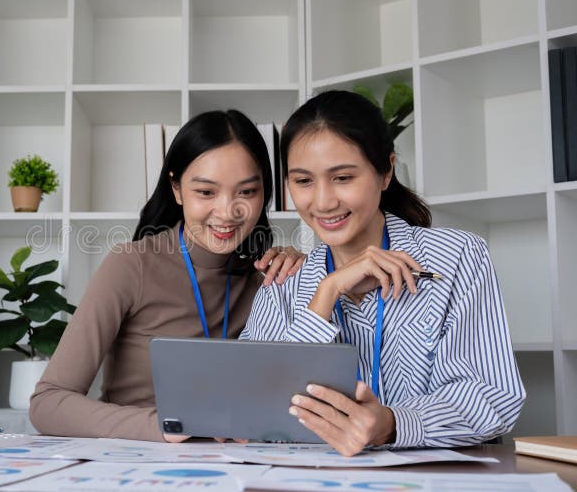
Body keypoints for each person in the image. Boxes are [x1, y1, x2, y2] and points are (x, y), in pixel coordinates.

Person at [241, 90, 525, 455]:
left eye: (342, 177)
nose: (323, 201)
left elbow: (492, 396)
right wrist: (326, 294)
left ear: (385, 171)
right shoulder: (283, 281)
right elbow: (253, 408)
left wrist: (391, 424)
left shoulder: (457, 257)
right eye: (304, 181)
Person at [29, 109, 304, 442]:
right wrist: (166, 425)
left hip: (238, 463)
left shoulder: (266, 277)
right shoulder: (132, 265)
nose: (228, 211)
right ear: (176, 189)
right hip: (139, 464)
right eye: (206, 192)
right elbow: (48, 403)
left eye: (246, 192)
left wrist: (307, 276)